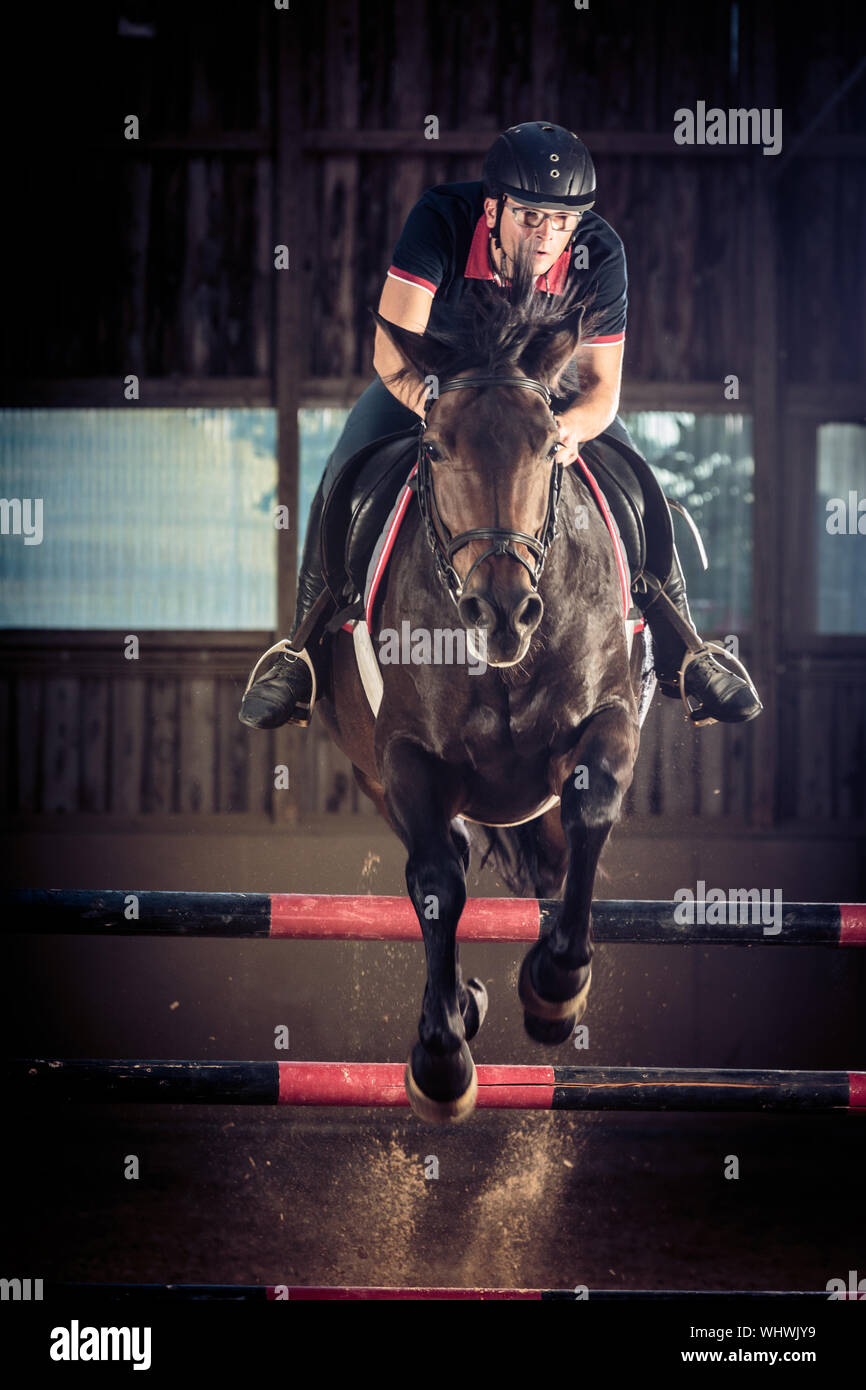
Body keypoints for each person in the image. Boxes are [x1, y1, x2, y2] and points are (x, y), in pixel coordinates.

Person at [239, 120, 761, 730]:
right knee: (343, 474)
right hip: (433, 386)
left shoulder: (601, 252)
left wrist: (568, 430)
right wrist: (437, 414)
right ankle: (301, 655)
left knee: (637, 483)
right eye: (530, 217)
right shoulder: (440, 220)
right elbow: (390, 354)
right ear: (493, 208)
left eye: (562, 221)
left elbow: (601, 391)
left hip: (545, 397)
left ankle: (686, 652)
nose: (548, 236)